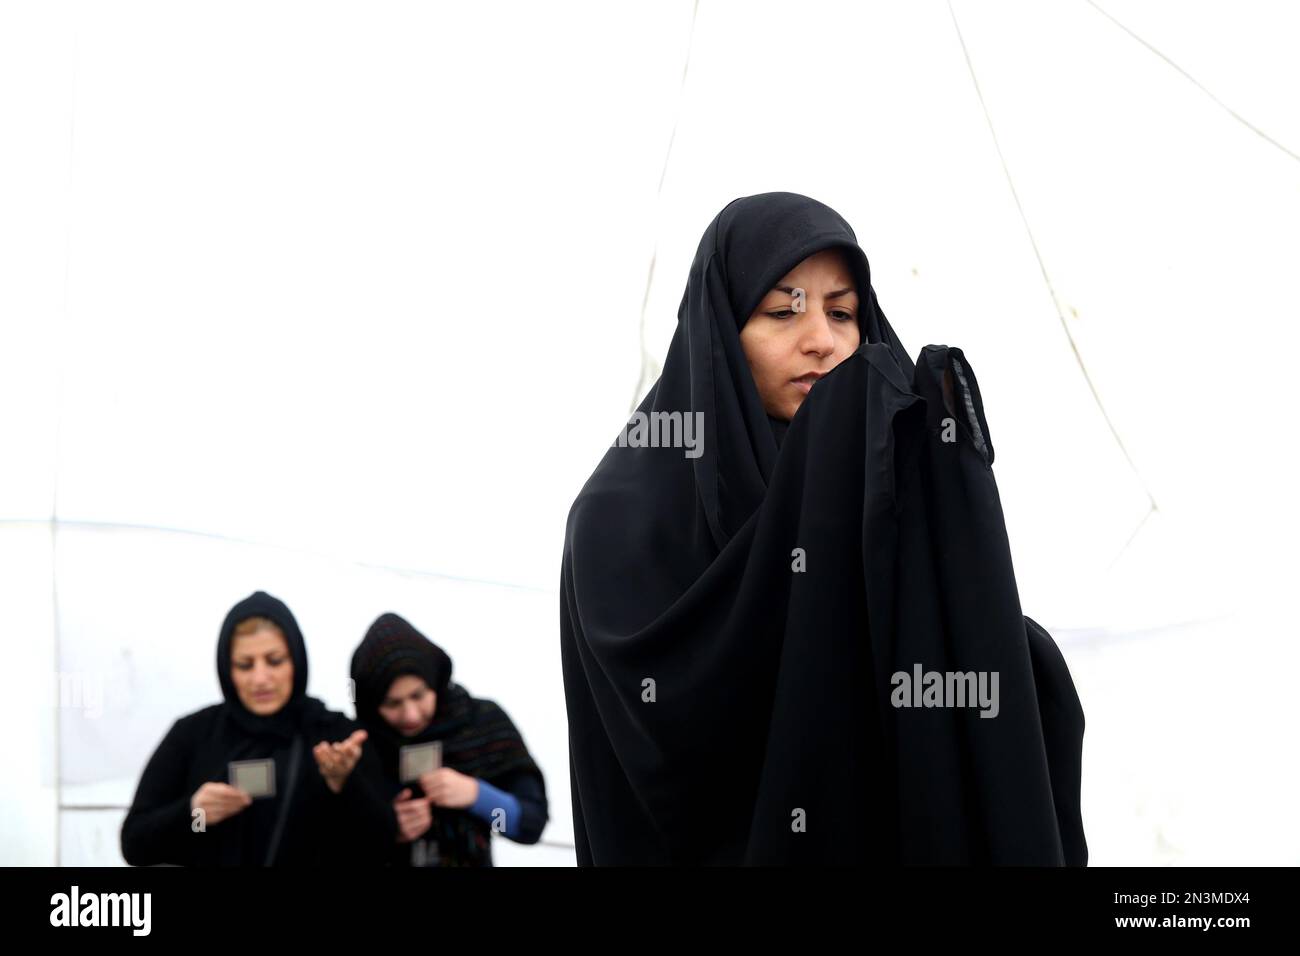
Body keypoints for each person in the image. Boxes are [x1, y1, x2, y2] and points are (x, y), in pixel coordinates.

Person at [560, 191, 1087, 865]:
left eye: (843, 312)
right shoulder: (622, 516)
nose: (823, 339)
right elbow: (669, 742)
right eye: (783, 311)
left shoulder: (881, 479)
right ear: (718, 332)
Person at [120, 591, 395, 866]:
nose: (260, 678)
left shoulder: (334, 737)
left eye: (275, 661)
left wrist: (345, 785)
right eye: (245, 665)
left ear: (296, 661)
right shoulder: (195, 733)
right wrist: (196, 814)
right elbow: (136, 845)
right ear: (228, 670)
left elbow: (380, 846)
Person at [349, 612, 548, 866]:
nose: (410, 714)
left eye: (418, 696)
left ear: (435, 682)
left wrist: (477, 796)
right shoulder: (357, 746)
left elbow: (529, 825)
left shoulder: (482, 724)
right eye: (393, 703)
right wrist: (385, 825)